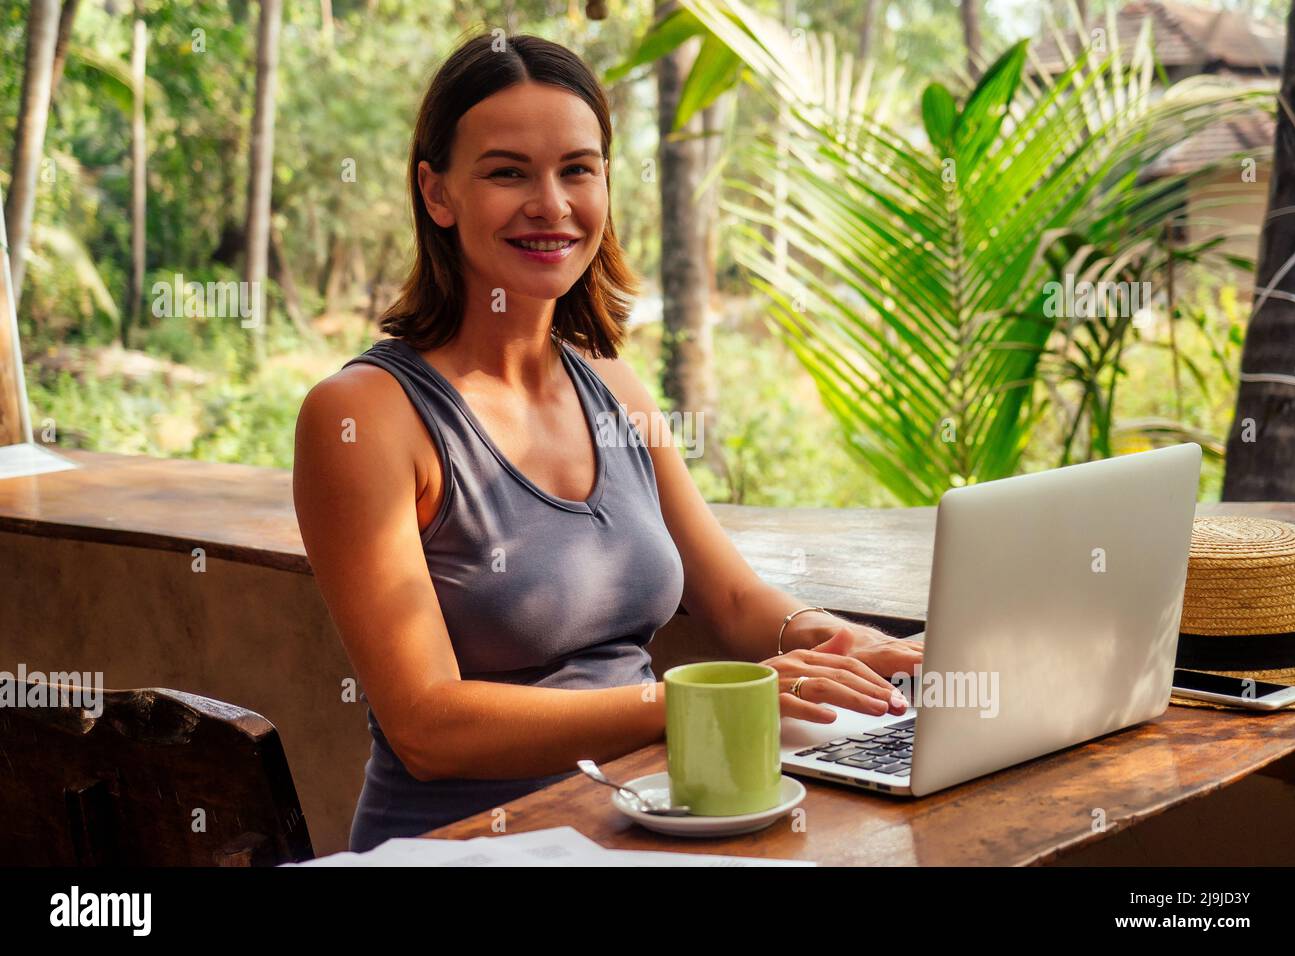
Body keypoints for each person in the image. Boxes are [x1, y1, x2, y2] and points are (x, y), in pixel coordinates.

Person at [292, 31, 924, 853]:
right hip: (469, 847)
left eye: (577, 170)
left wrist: (842, 641)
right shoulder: (364, 416)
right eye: (507, 171)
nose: (551, 204)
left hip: (644, 817)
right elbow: (426, 725)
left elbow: (731, 601)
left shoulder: (614, 386)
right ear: (437, 193)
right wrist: (695, 703)